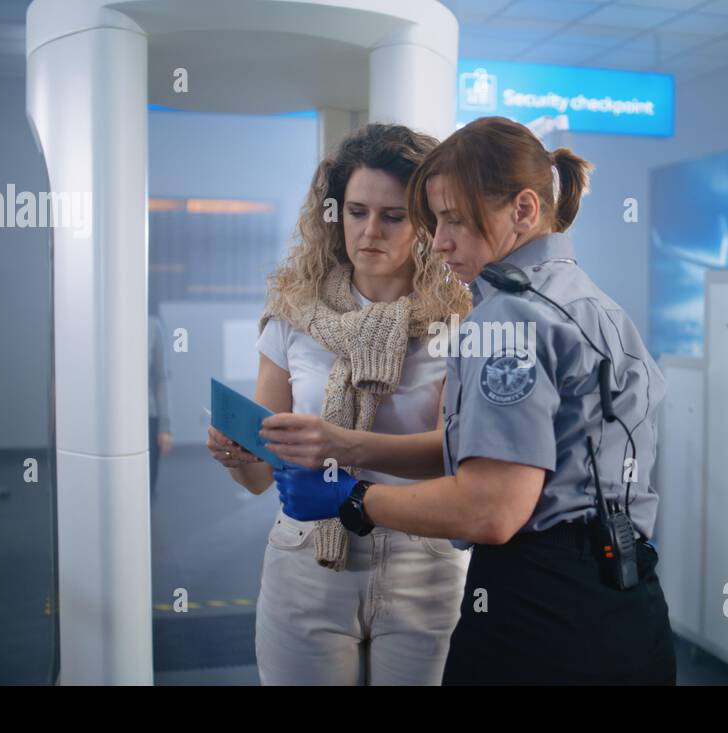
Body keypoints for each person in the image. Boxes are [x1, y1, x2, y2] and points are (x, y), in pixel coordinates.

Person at [273, 116, 675, 685]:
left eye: (455, 220)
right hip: (626, 604)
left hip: (541, 616)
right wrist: (349, 444)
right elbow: (501, 453)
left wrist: (352, 499)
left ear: (525, 210)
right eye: (434, 221)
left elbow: (492, 508)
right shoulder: (591, 303)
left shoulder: (507, 315)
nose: (438, 242)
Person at [205, 124, 473, 685]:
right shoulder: (293, 315)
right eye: (355, 211)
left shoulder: (460, 320)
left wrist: (343, 448)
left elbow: (457, 455)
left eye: (393, 216)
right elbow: (260, 478)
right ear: (335, 215)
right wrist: (238, 453)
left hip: (421, 557)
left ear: (424, 223)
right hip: (309, 554)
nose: (369, 230)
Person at [149, 314, 172, 497]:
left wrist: (165, 427)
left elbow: (161, 379)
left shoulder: (152, 326)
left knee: (148, 486)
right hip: (111, 421)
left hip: (148, 417)